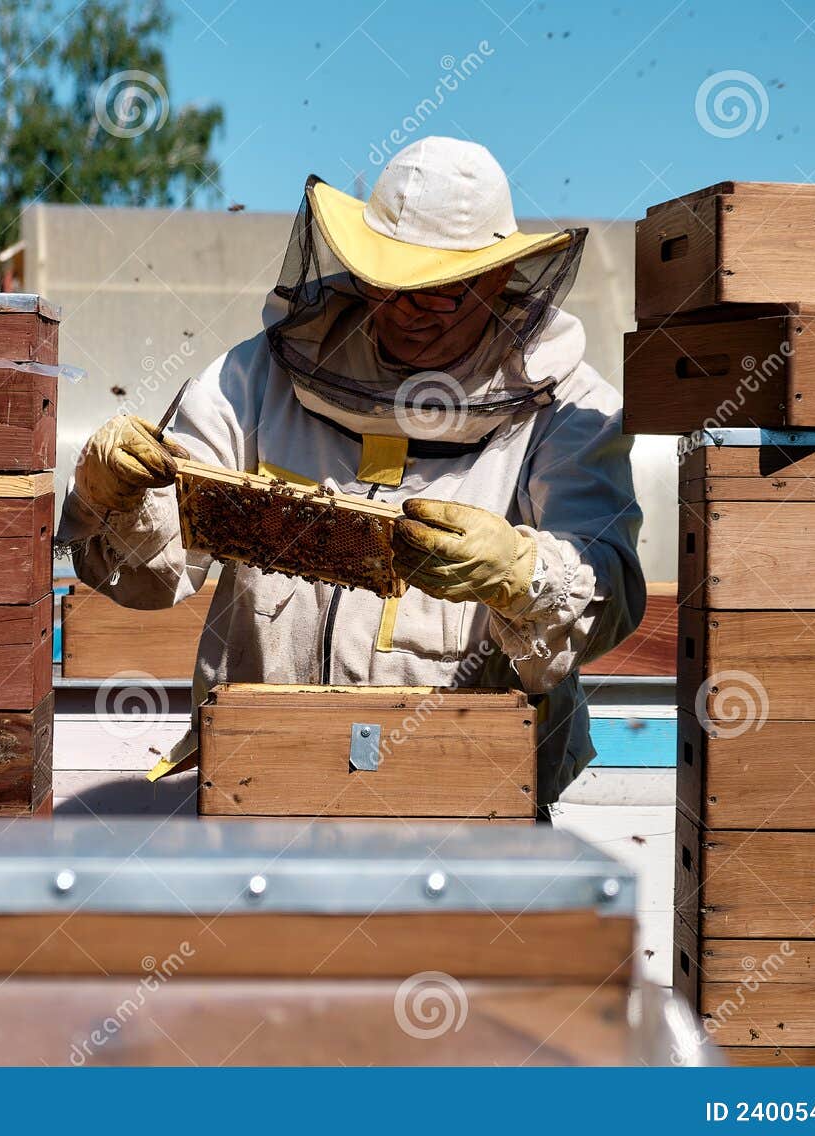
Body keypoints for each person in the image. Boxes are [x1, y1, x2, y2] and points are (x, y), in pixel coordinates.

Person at [59, 137, 644, 806]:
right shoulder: (256, 377)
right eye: (383, 280)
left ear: (493, 280)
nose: (400, 309)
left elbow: (611, 592)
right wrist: (114, 494)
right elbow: (151, 572)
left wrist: (520, 573)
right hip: (261, 787)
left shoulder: (569, 407)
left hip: (468, 804)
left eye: (435, 292)